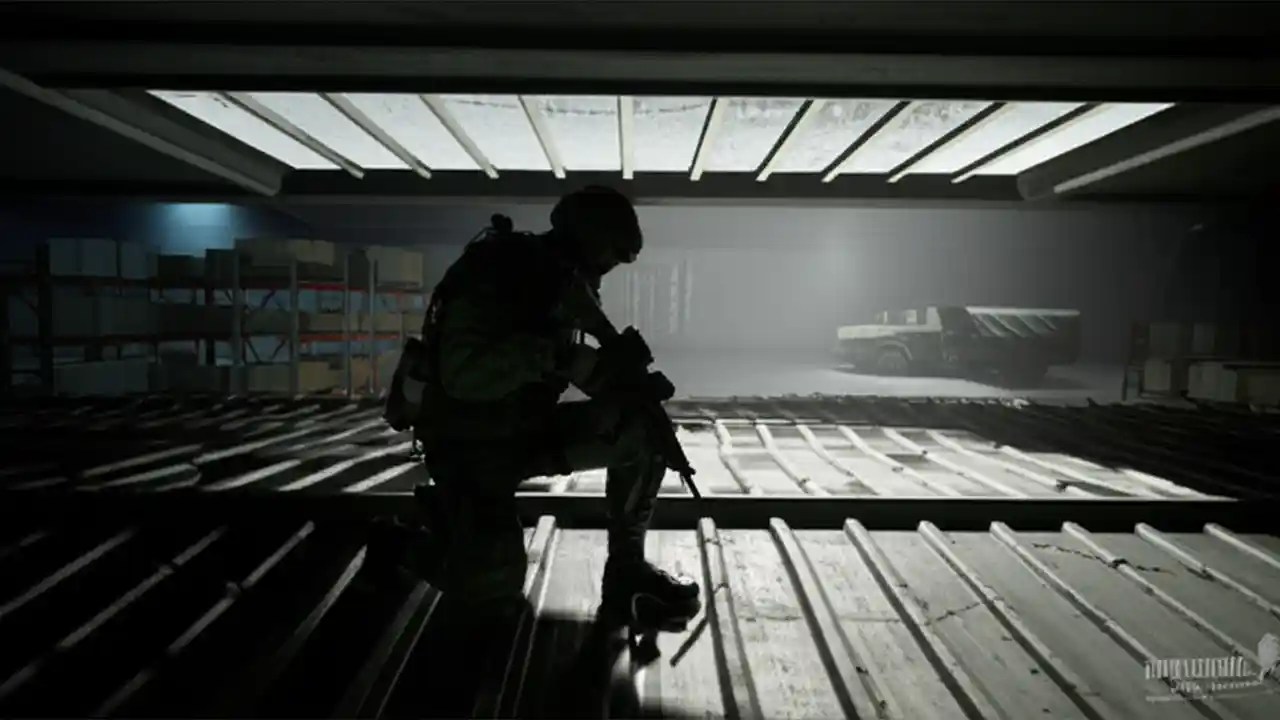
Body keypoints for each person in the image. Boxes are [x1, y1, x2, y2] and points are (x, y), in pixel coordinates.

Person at [390, 186, 700, 631]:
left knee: (641, 427)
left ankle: (625, 572)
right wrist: (554, 357)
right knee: (491, 584)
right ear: (586, 238)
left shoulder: (553, 282)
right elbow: (463, 376)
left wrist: (623, 386)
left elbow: (567, 362)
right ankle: (400, 544)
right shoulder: (497, 271)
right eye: (609, 258)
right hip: (469, 448)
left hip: (522, 435)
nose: (607, 272)